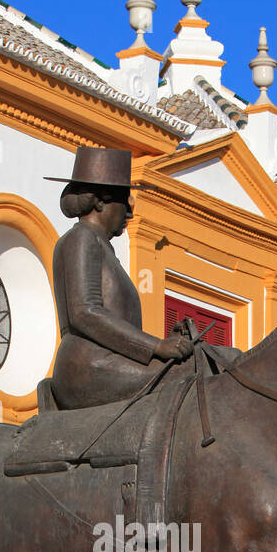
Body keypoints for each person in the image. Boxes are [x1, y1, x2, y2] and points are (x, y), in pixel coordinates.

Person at [45, 147, 193, 409]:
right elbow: (84, 313)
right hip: (89, 367)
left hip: (108, 361)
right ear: (101, 201)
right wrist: (156, 346)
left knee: (196, 363)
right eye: (124, 201)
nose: (130, 213)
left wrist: (163, 343)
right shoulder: (82, 238)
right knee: (189, 375)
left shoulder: (100, 247)